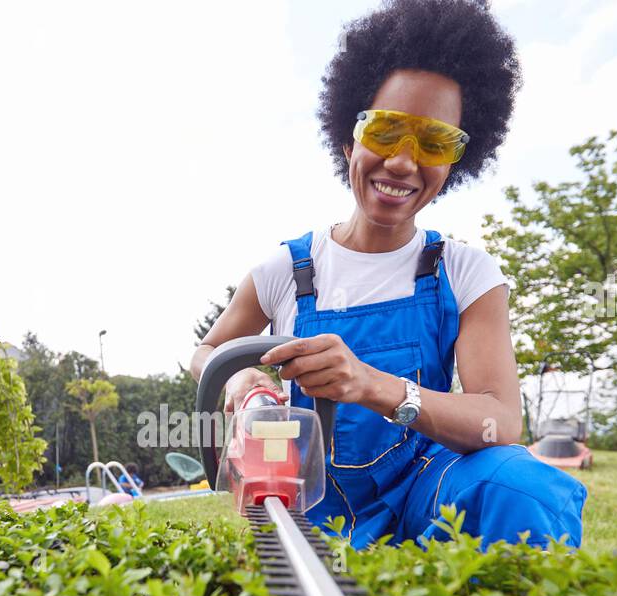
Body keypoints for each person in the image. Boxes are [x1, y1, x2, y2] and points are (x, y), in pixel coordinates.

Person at [191, 0, 586, 551]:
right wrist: (238, 378)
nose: (403, 162)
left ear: (453, 165)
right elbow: (208, 351)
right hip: (310, 493)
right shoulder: (284, 270)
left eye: (434, 143)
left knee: (522, 490)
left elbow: (499, 420)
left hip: (430, 486)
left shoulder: (465, 271)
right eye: (387, 130)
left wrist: (374, 386)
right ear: (349, 140)